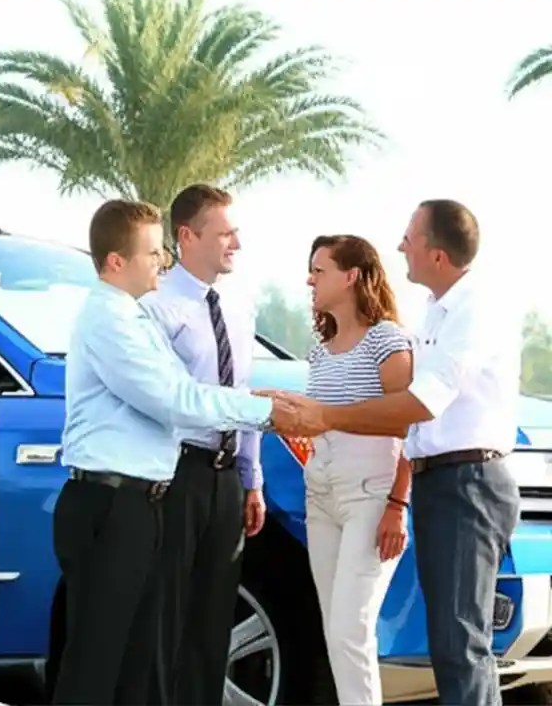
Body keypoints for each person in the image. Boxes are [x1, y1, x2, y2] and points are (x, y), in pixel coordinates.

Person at [267, 200, 522, 706]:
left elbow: (420, 405)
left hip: (467, 481)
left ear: (437, 253)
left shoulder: (473, 311)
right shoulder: (435, 312)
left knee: (459, 642)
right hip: (441, 481)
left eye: (410, 236)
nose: (402, 245)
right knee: (451, 642)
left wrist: (329, 419)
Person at [52, 198, 301, 705]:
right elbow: (174, 399)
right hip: (111, 504)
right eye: (150, 253)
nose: (162, 261)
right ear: (116, 262)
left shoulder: (132, 317)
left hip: (138, 504)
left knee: (135, 664)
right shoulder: (111, 319)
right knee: (97, 666)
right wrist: (266, 412)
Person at [136, 184, 265, 705]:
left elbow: (243, 395)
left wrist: (251, 480)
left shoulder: (239, 305)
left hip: (226, 479)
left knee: (213, 621)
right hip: (175, 476)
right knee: (166, 620)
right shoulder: (157, 307)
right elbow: (166, 399)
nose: (237, 242)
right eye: (225, 232)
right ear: (187, 236)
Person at [299, 234, 413, 705]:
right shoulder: (321, 349)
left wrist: (397, 504)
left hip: (370, 492)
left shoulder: (387, 340)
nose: (310, 279)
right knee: (335, 630)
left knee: (350, 628)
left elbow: (412, 424)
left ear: (351, 276)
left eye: (319, 270)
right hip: (320, 492)